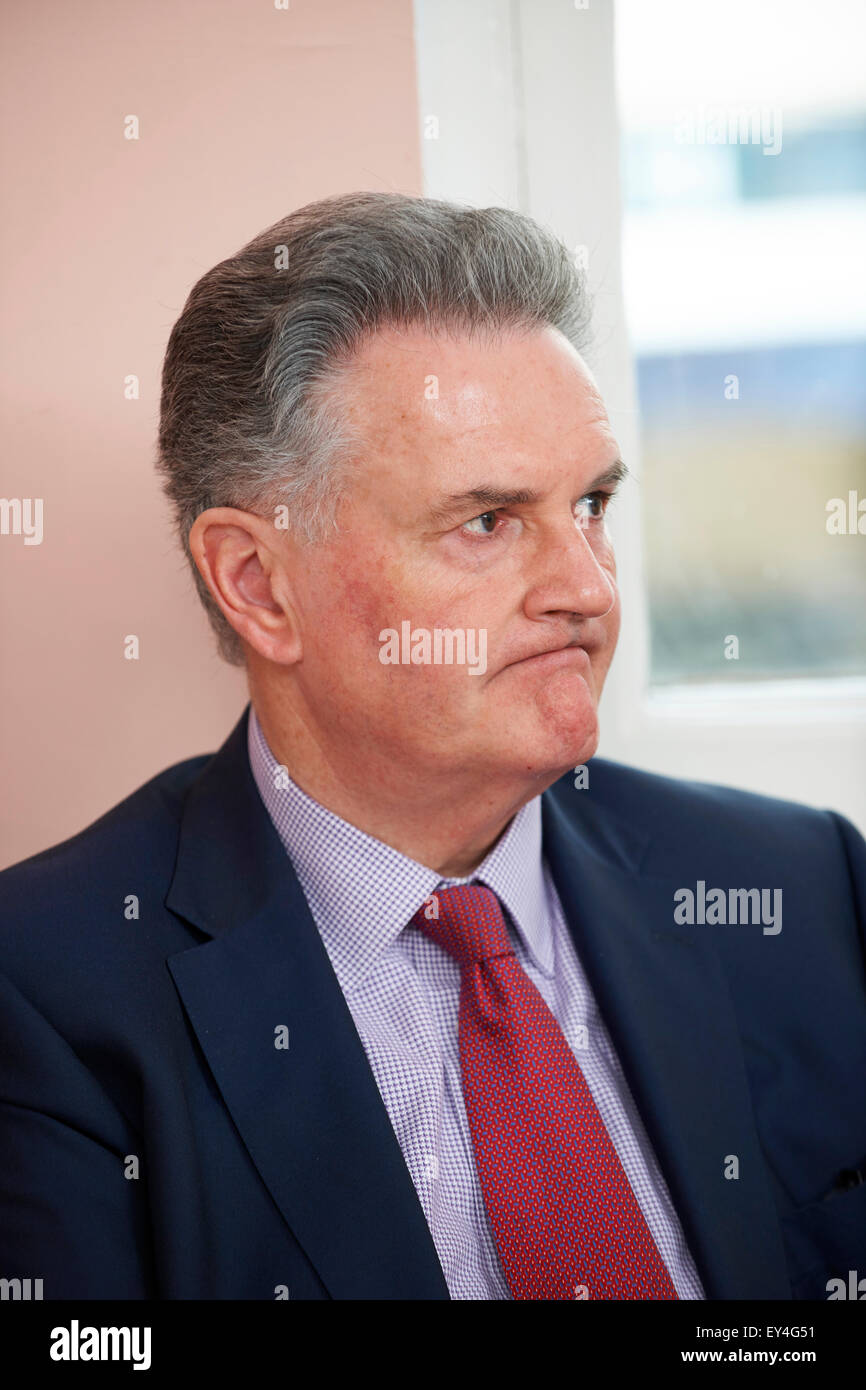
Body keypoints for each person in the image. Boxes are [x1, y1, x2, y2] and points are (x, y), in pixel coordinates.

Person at [1, 192, 864, 1301]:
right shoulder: (46, 997)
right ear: (259, 585)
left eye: (591, 503)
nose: (587, 589)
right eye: (487, 522)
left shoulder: (801, 888)